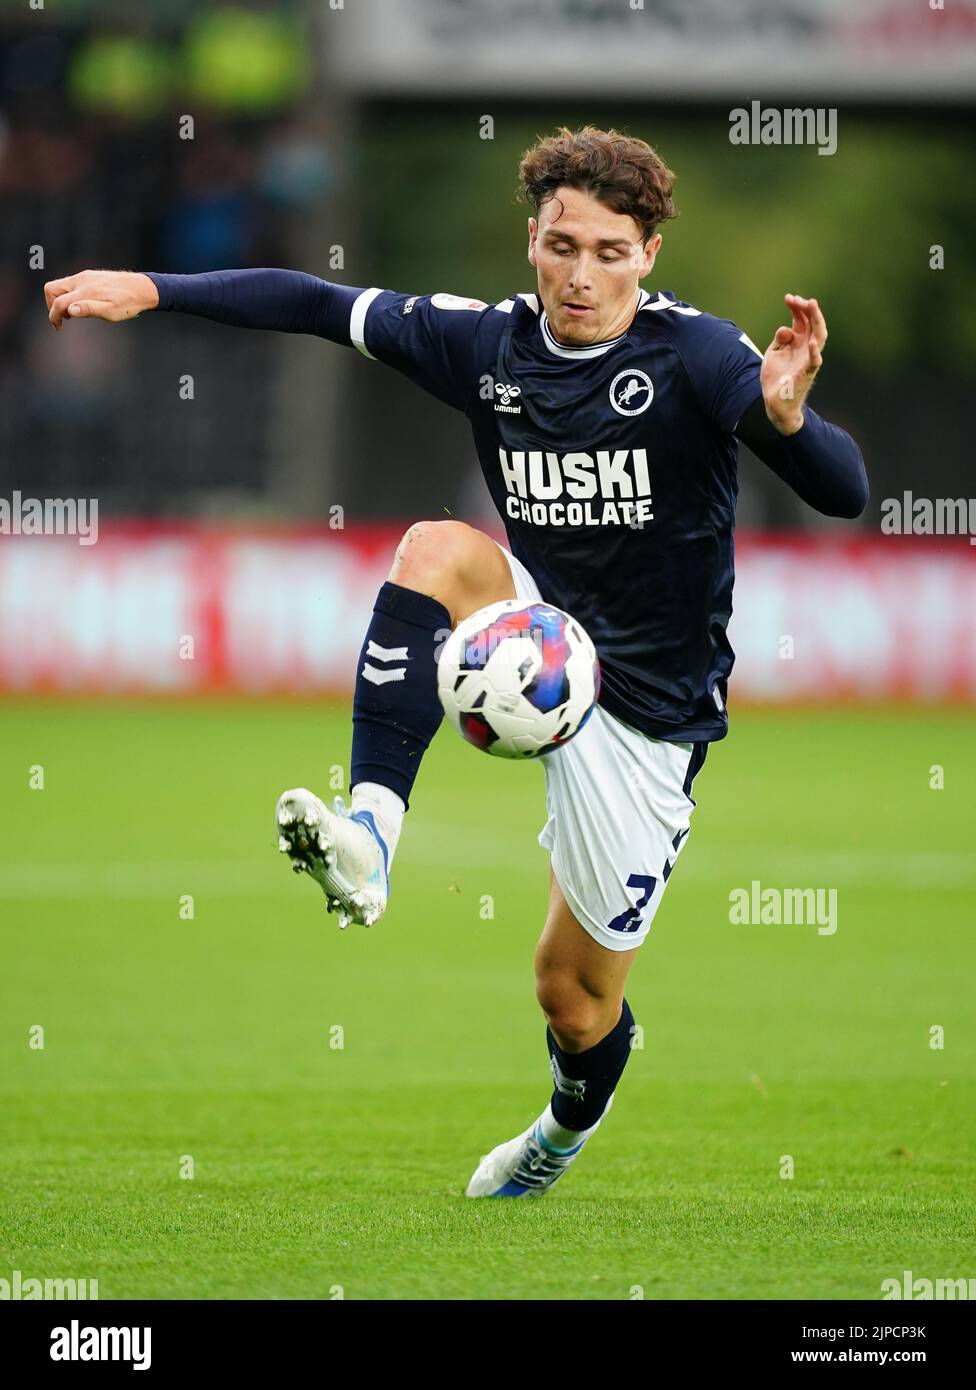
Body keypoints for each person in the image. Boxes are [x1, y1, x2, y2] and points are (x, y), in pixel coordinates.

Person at [43, 126, 868, 1199]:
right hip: (539, 631)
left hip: (648, 717)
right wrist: (152, 287)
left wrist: (791, 417)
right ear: (533, 238)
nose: (582, 274)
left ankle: (564, 1132)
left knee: (569, 1000)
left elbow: (843, 491)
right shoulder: (483, 343)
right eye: (563, 244)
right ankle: (371, 838)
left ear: (647, 256)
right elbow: (308, 301)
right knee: (434, 550)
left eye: (610, 252)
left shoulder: (696, 356)